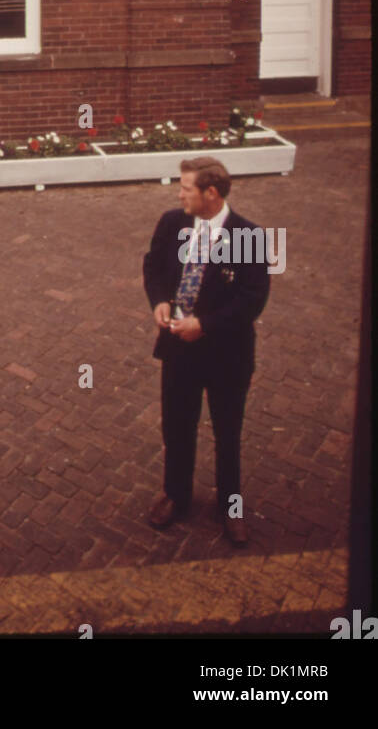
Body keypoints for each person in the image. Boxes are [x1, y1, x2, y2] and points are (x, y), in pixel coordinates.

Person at [142, 156, 270, 545]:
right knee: (177, 426)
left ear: (210, 193)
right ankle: (175, 495)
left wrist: (206, 325)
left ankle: (231, 508)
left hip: (226, 355)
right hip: (179, 349)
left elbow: (253, 300)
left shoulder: (248, 236)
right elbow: (154, 267)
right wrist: (160, 301)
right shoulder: (172, 222)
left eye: (186, 188)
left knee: (228, 431)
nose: (179, 193)